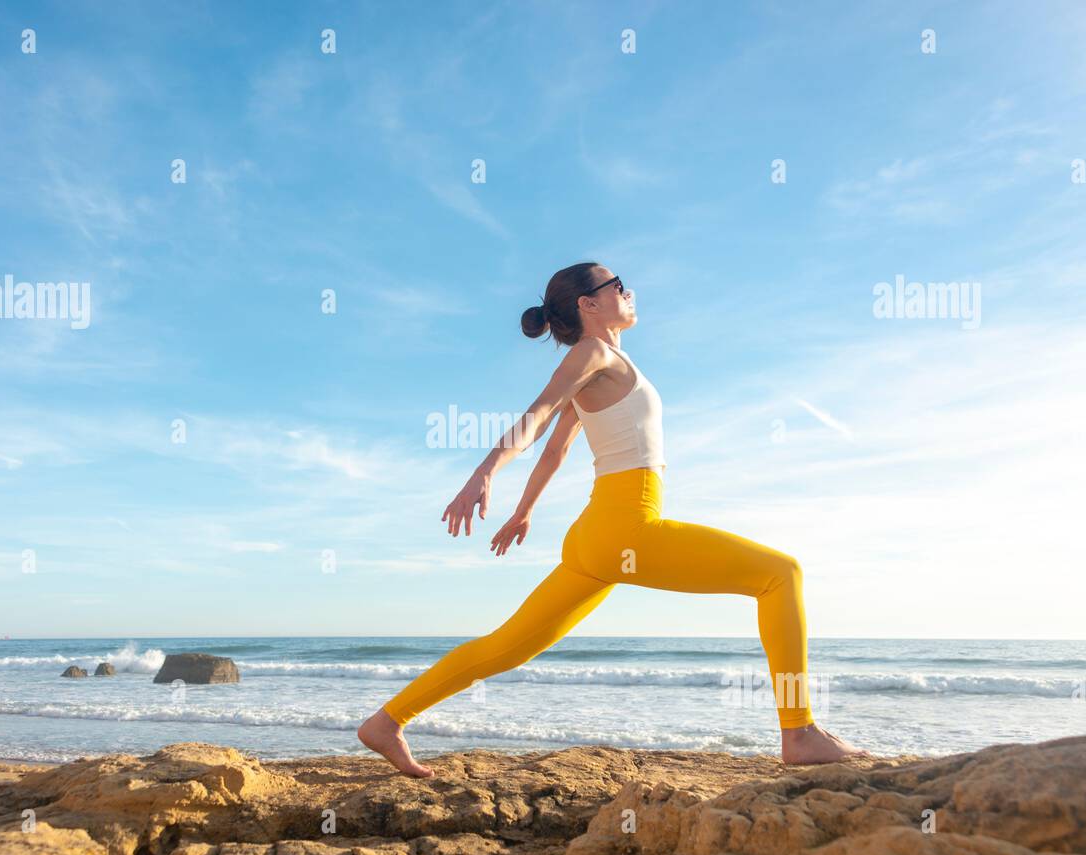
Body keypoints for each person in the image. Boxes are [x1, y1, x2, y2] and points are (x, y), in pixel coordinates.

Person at [359, 262, 870, 776]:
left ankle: (386, 722)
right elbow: (539, 412)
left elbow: (558, 450)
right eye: (617, 285)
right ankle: (799, 731)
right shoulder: (592, 352)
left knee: (506, 646)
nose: (629, 291)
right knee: (781, 574)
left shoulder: (604, 363)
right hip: (627, 527)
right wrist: (486, 470)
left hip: (596, 538)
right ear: (589, 304)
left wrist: (524, 511)